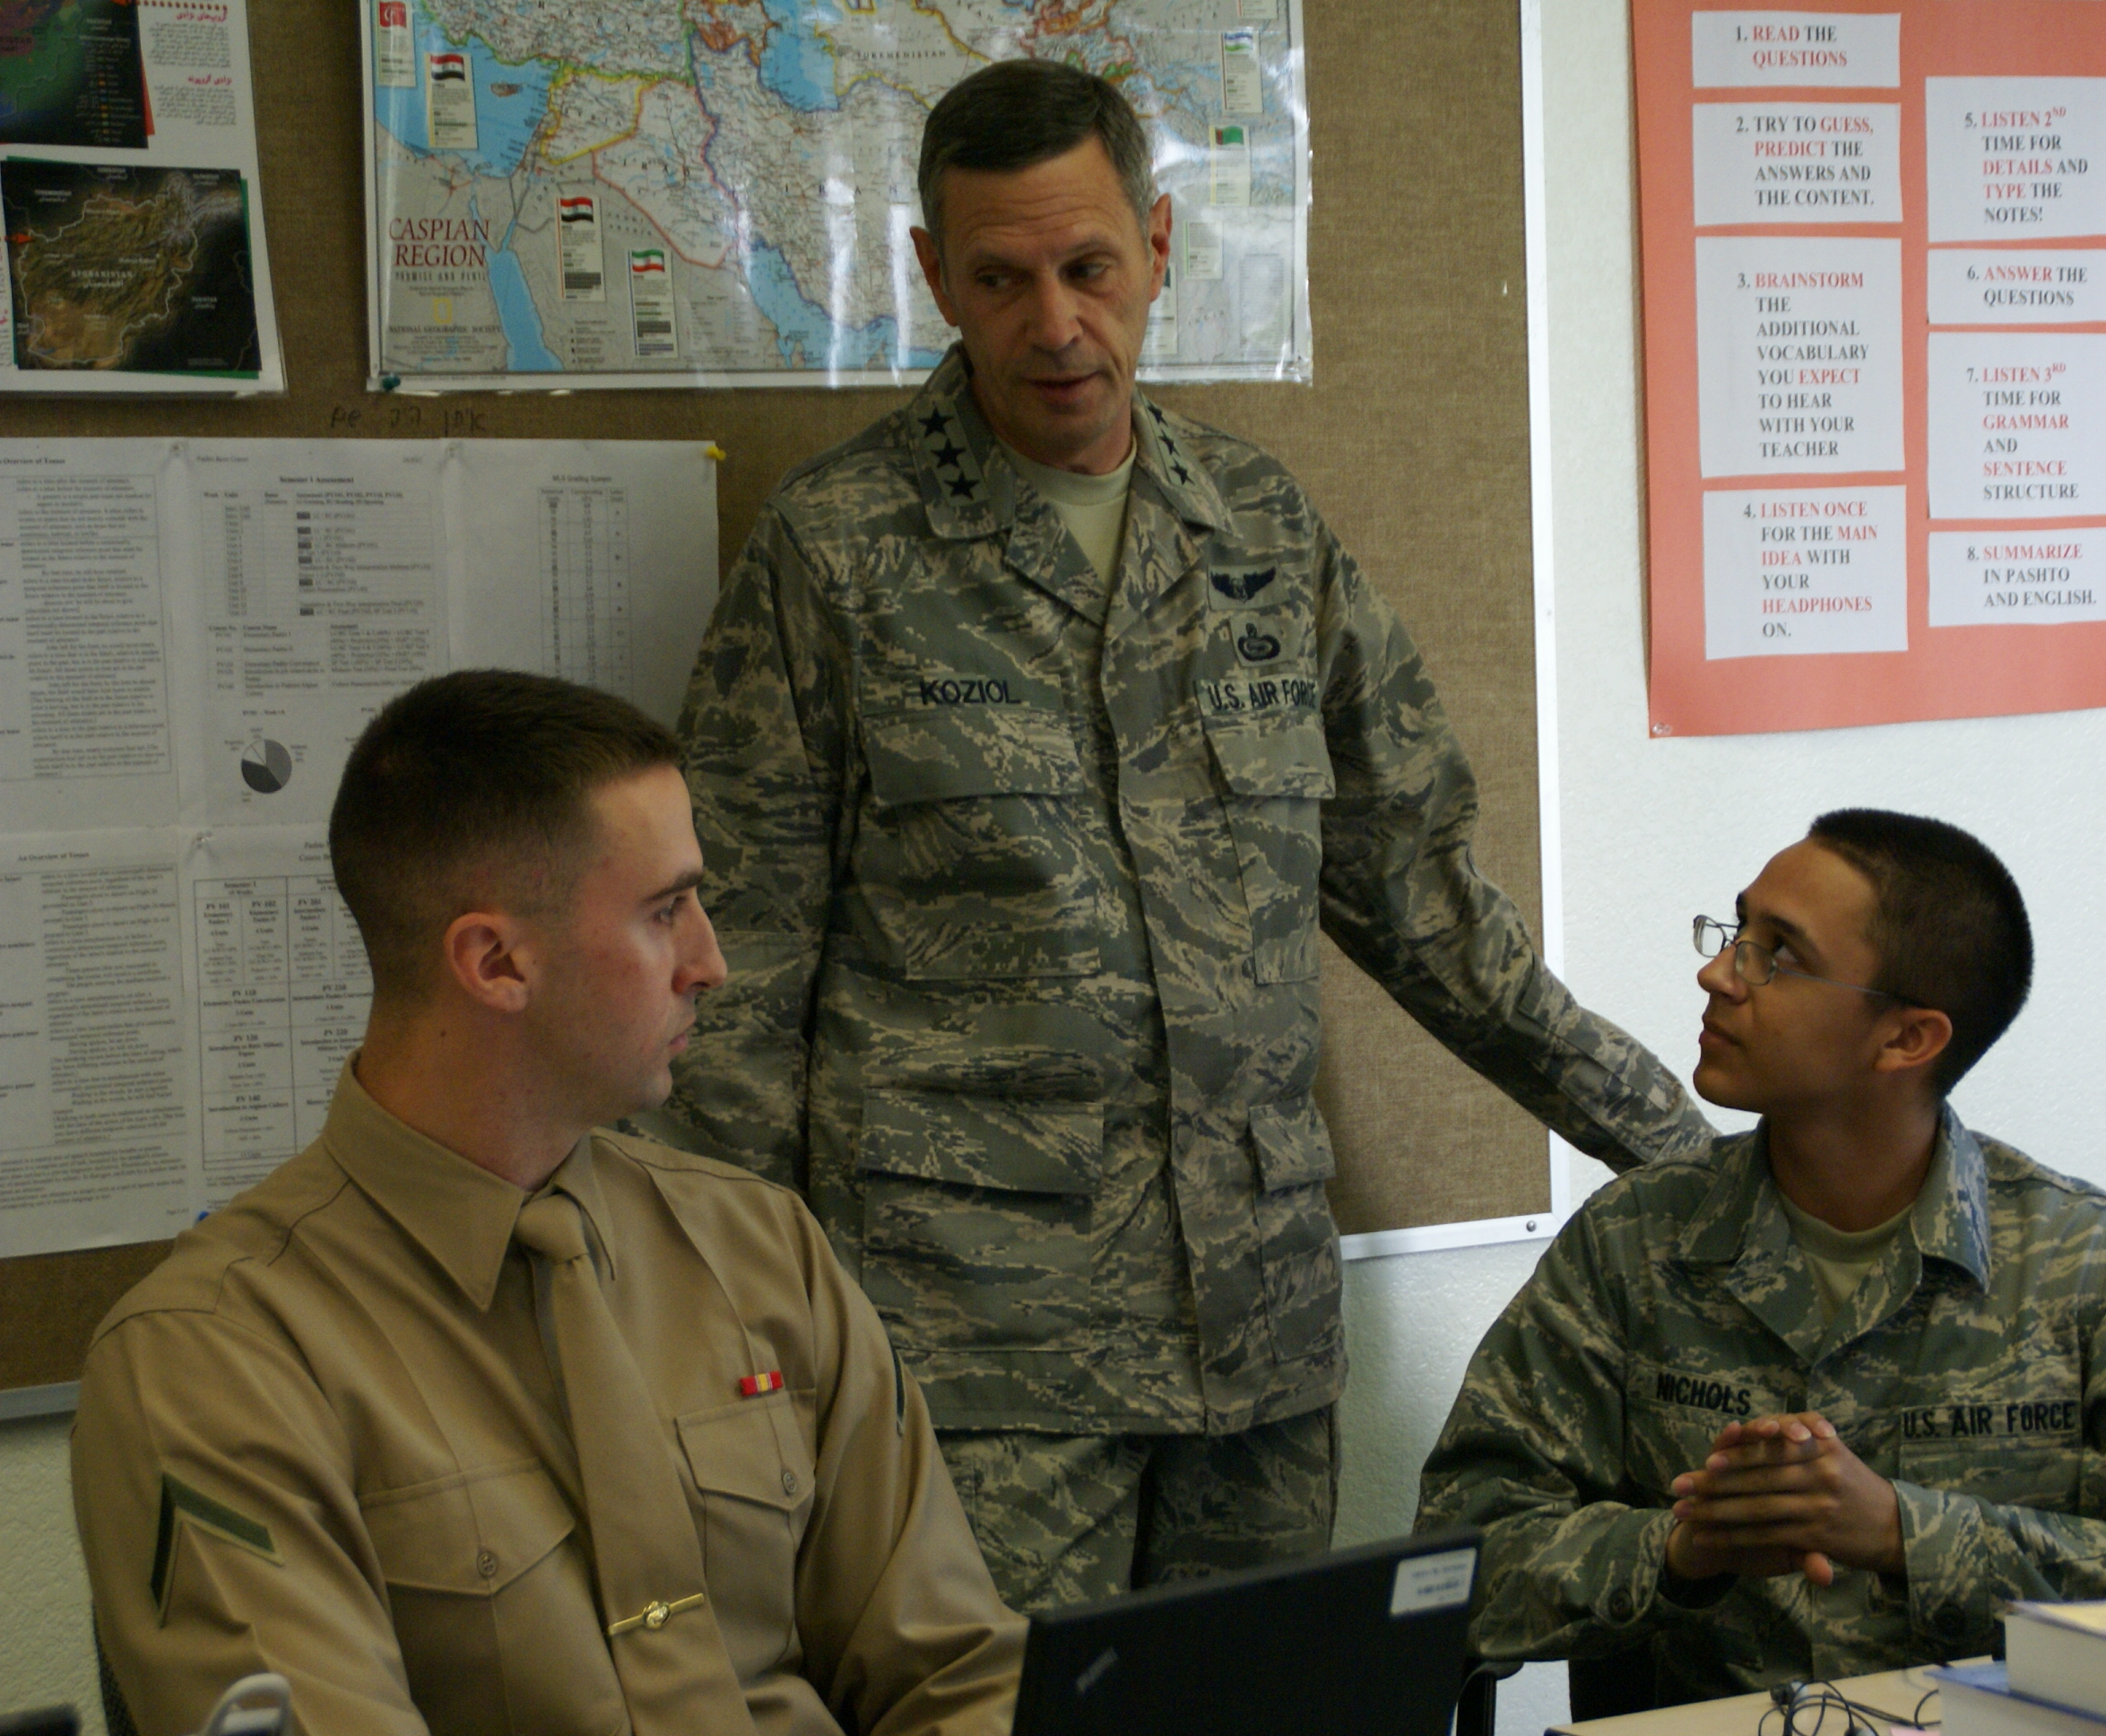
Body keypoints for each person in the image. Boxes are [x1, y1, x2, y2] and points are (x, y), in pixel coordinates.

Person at [646, 57, 1718, 1611]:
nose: (1056, 324)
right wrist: (734, 1348)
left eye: (1090, 267)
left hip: (1255, 1340)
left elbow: (1426, 907)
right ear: (935, 278)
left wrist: (1681, 1155)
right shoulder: (838, 554)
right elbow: (727, 990)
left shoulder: (1262, 535)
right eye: (1002, 280)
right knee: (996, 1720)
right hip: (977, 1362)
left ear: (1158, 247)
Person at [72, 672, 1021, 1736]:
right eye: (665, 910)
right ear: (496, 962)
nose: (711, 962)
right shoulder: (213, 1360)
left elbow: (961, 1673)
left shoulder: (761, 1248)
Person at [1417, 811, 2106, 1702]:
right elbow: (1455, 1562)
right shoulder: (1634, 1243)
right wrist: (1680, 1550)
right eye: (1737, 931)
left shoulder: (2094, 1266)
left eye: (1777, 955)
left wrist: (1905, 1534)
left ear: (1907, 1039)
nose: (1717, 973)